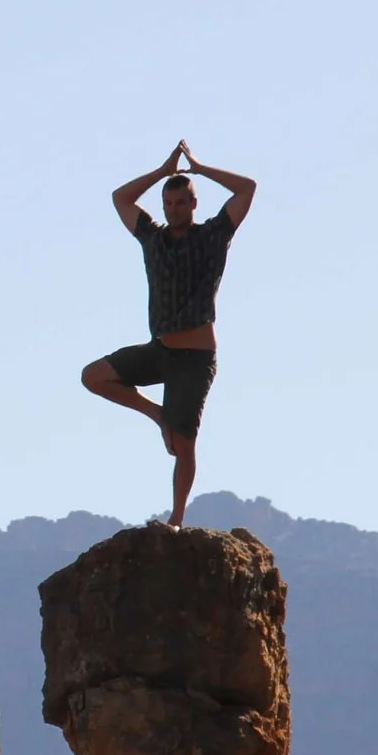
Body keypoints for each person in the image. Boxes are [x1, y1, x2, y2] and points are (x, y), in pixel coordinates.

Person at [80, 141, 257, 527]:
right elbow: (120, 198)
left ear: (194, 205)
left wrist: (199, 168)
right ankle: (160, 415)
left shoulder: (212, 237)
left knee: (184, 443)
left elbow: (247, 188)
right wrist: (162, 171)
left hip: (195, 358)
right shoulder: (152, 238)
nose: (175, 210)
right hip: (160, 350)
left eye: (182, 203)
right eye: (169, 204)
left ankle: (176, 519)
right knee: (94, 376)